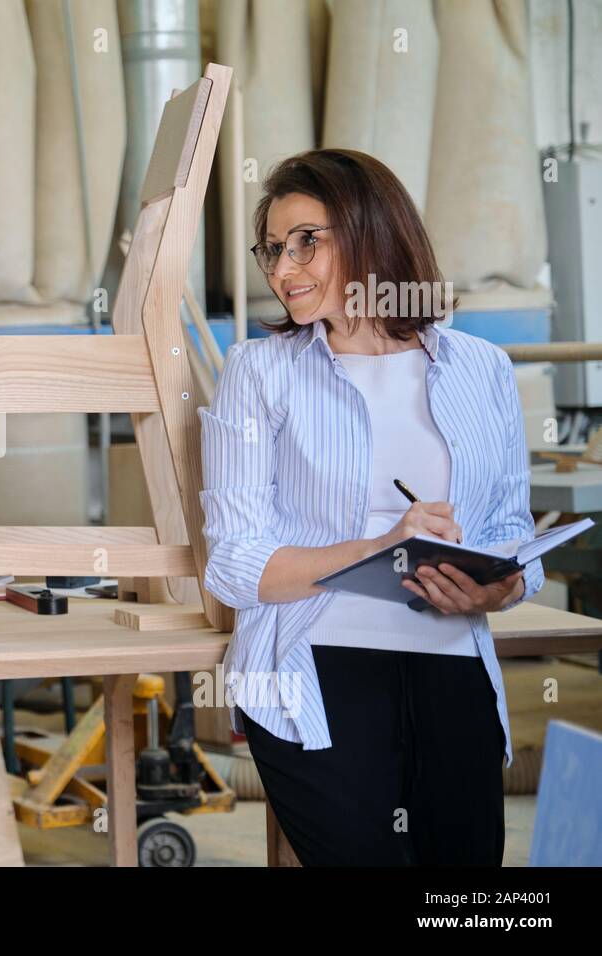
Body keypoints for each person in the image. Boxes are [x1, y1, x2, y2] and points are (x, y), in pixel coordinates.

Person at [198, 148, 544, 866]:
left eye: (306, 241)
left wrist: (503, 584)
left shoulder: (481, 369)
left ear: (373, 231)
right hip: (314, 666)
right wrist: (379, 547)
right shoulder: (259, 374)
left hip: (452, 658)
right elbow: (233, 564)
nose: (282, 269)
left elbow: (511, 534)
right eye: (272, 249)